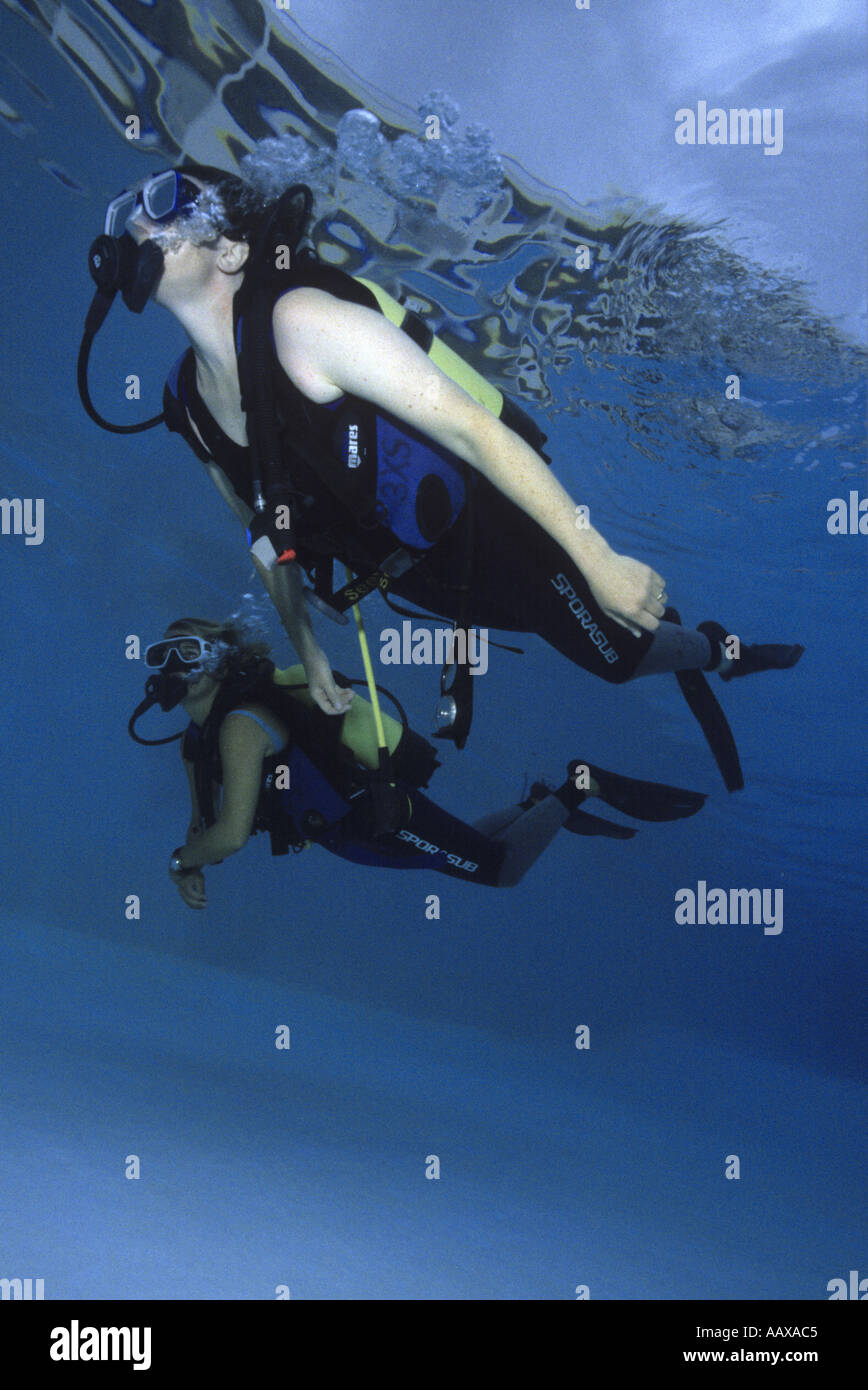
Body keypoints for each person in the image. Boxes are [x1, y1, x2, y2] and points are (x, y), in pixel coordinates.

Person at [82, 164, 804, 785]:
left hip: (490, 529)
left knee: (614, 657)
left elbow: (472, 428)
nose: (140, 222)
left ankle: (714, 650)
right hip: (417, 576)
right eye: (134, 205)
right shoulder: (184, 399)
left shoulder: (303, 323)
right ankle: (669, 636)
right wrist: (308, 649)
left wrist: (599, 557)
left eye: (168, 199)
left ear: (233, 249)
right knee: (578, 636)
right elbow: (260, 530)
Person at [133, 620, 708, 907]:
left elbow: (230, 835)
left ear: (216, 662)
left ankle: (580, 787)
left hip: (376, 817)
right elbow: (203, 822)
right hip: (349, 831)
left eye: (186, 654)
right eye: (162, 656)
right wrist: (191, 864)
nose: (171, 666)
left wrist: (179, 863)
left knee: (498, 871)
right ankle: (536, 804)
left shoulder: (237, 726)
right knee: (455, 859)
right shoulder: (195, 740)